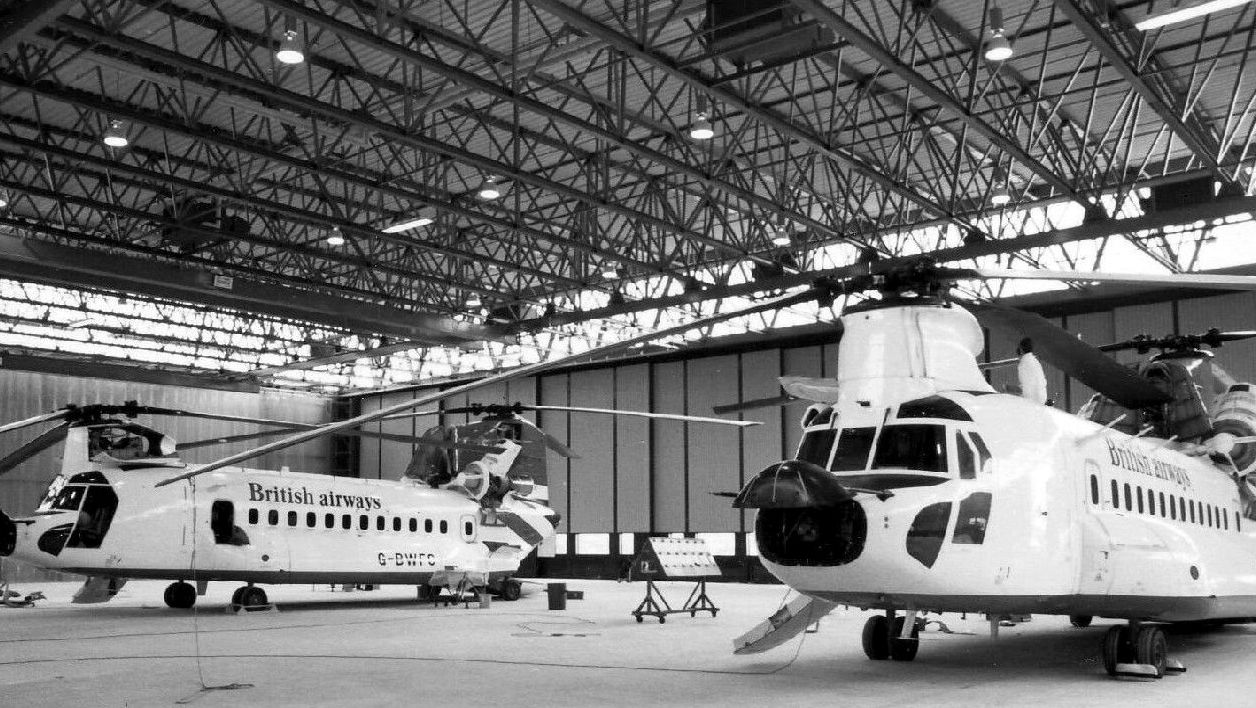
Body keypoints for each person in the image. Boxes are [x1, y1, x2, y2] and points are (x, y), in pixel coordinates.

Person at [1016, 337, 1048, 405]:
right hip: (1042, 398)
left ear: (1021, 349)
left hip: (1032, 401)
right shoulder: (1035, 361)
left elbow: (1027, 386)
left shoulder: (1024, 364)